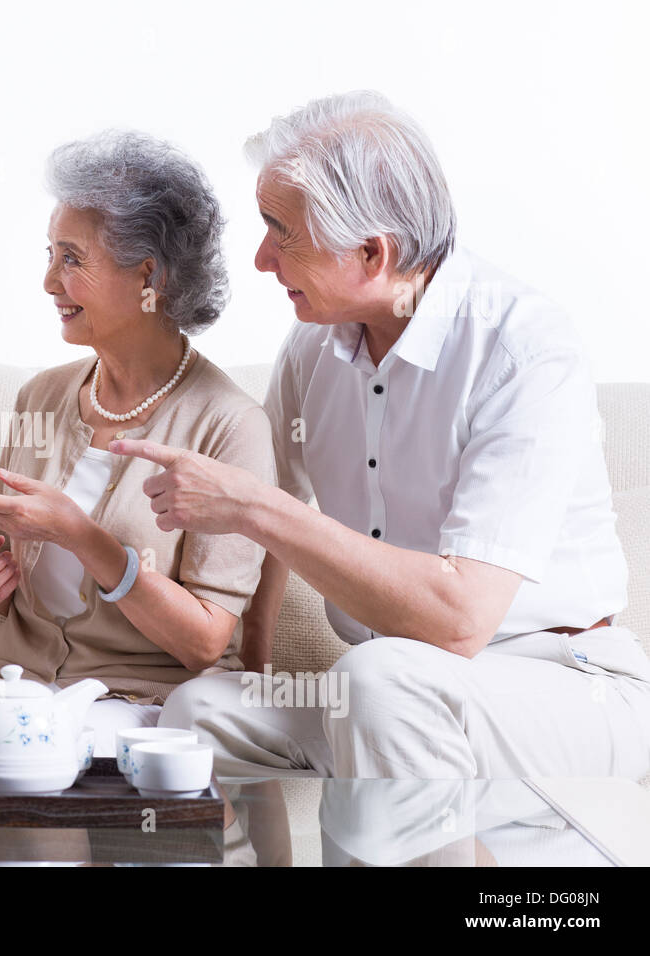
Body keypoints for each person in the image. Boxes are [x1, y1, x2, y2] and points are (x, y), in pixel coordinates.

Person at [112, 90, 650, 778]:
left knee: (380, 681)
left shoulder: (521, 347)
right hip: (392, 690)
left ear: (371, 253)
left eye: (282, 232)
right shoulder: (315, 349)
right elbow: (279, 504)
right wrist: (252, 661)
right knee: (200, 713)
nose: (260, 259)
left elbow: (460, 623)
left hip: (562, 687)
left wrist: (249, 504)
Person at [0, 130, 276, 770]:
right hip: (20, 687)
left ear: (150, 275)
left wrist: (85, 539)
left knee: (28, 760)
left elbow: (204, 643)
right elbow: (33, 590)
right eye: (50, 253)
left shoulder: (229, 425)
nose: (47, 280)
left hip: (140, 701)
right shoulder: (42, 397)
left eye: (71, 258)